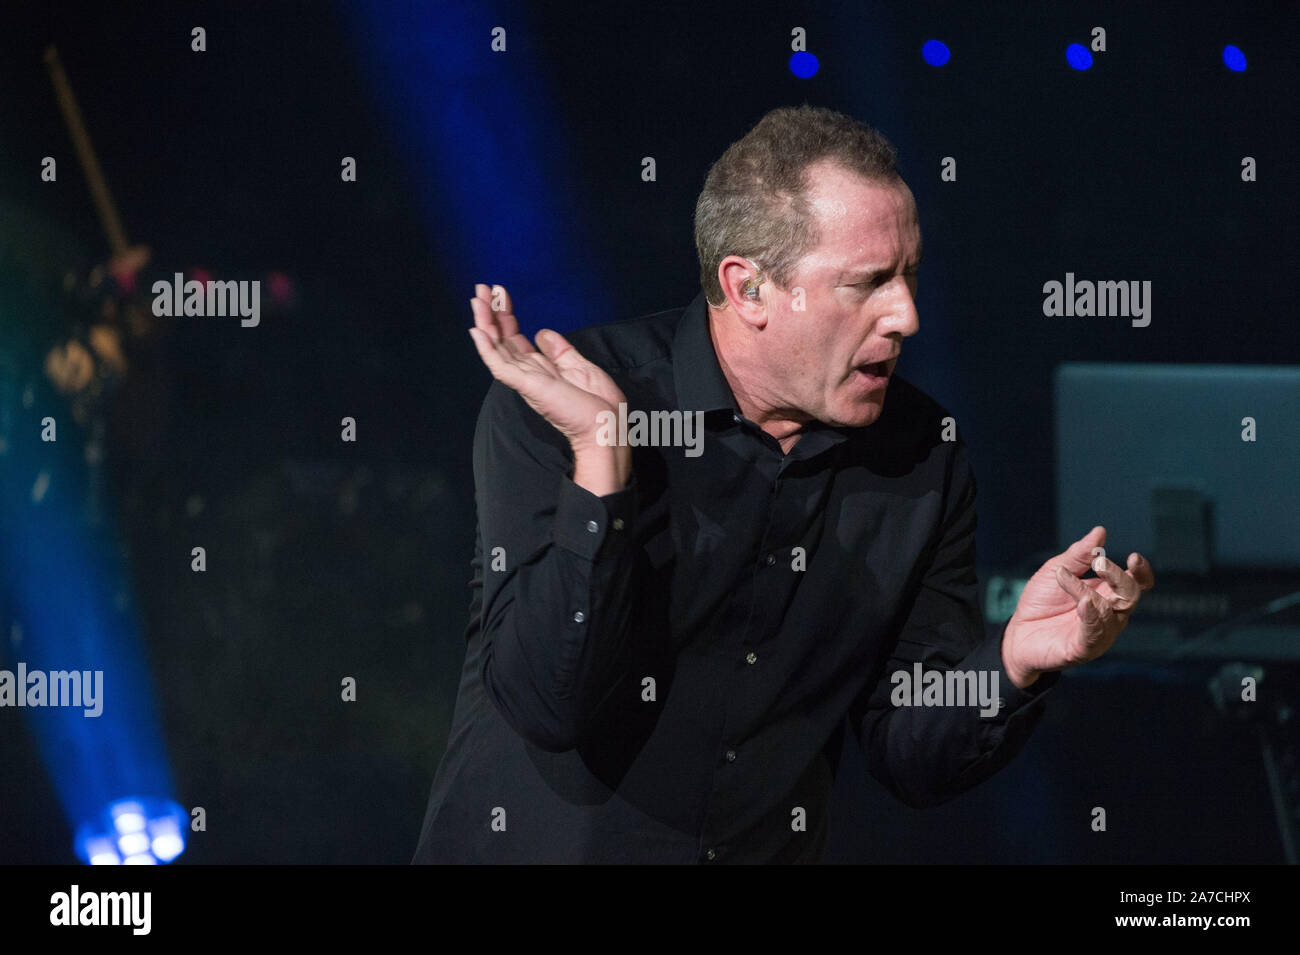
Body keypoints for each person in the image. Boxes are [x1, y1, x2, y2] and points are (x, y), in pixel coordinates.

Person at [412, 105, 1154, 863]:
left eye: (910, 275)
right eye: (868, 283)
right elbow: (550, 705)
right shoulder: (567, 405)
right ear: (750, 289)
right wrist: (603, 465)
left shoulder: (922, 458)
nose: (906, 315)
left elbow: (907, 749)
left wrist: (1009, 664)